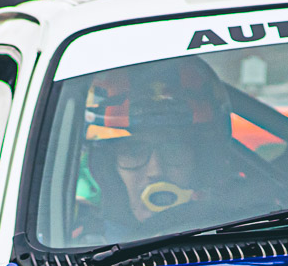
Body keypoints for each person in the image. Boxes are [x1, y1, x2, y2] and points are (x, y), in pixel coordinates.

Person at [71, 58, 262, 243]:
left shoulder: (245, 230)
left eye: (174, 148)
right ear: (108, 169)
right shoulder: (77, 250)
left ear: (202, 161)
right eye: (134, 151)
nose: (156, 171)